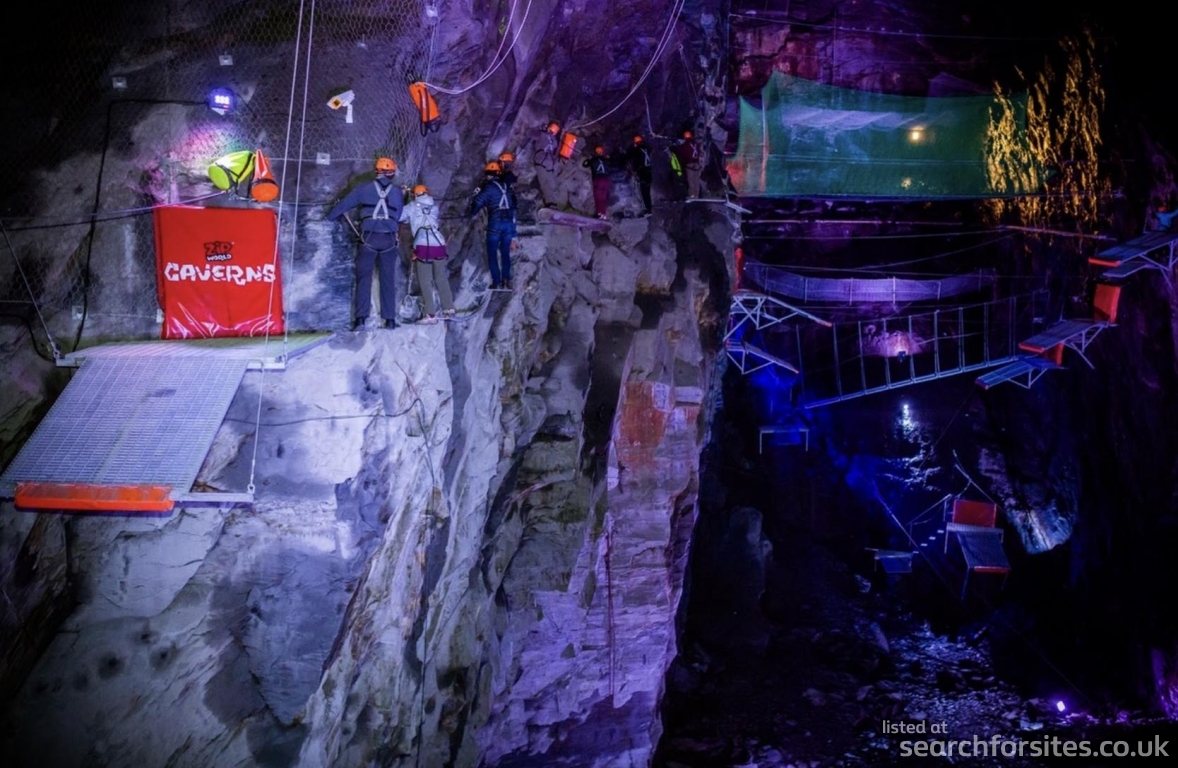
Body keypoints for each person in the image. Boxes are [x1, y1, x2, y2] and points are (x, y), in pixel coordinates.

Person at [327, 156, 404, 330]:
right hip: (389, 240)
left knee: (364, 278)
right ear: (391, 173)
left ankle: (360, 320)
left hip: (368, 238)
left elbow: (343, 205)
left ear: (376, 171)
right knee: (388, 279)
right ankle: (390, 320)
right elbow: (398, 215)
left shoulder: (364, 189)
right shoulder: (397, 192)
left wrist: (330, 216)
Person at [399, 183, 455, 323]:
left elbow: (400, 216)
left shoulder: (411, 207)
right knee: (441, 277)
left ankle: (430, 314)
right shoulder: (434, 208)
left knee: (425, 281)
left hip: (423, 246)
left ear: (415, 195)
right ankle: (449, 309)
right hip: (439, 244)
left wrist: (403, 197)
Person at [469, 161, 518, 290]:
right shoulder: (507, 187)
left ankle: (496, 282)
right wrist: (514, 235)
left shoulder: (489, 187)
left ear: (489, 175)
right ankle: (506, 282)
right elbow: (514, 209)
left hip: (495, 223)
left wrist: (472, 213)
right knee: (505, 253)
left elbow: (479, 201)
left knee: (492, 253)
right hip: (508, 225)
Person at [533, 121, 563, 208]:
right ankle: (551, 203)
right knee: (550, 183)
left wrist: (540, 129)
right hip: (549, 163)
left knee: (546, 183)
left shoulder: (541, 135)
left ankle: (550, 203)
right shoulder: (554, 141)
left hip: (541, 161)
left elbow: (529, 133)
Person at [582, 144, 614, 219]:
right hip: (606, 180)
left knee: (598, 198)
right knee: (603, 198)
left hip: (598, 179)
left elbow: (584, 164)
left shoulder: (593, 159)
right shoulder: (606, 160)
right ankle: (604, 214)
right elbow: (611, 165)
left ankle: (600, 214)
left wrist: (589, 159)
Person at [672, 128, 704, 200]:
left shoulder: (685, 145)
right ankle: (697, 196)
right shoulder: (696, 144)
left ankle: (692, 197)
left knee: (691, 181)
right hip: (697, 164)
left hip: (690, 165)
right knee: (696, 181)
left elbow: (680, 152)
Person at [626, 134, 653, 217]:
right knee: (647, 191)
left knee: (643, 192)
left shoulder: (636, 150)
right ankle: (649, 208)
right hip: (649, 171)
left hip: (642, 172)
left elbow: (629, 155)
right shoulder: (647, 148)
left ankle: (647, 210)